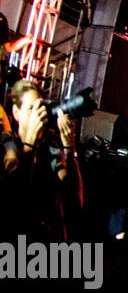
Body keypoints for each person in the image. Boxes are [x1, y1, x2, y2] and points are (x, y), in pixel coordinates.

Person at [0, 79, 82, 239]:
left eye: (41, 108)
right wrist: (29, 142)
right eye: (31, 108)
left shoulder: (50, 147)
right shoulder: (6, 144)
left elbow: (74, 201)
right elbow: (12, 197)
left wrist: (69, 150)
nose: (38, 115)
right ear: (16, 113)